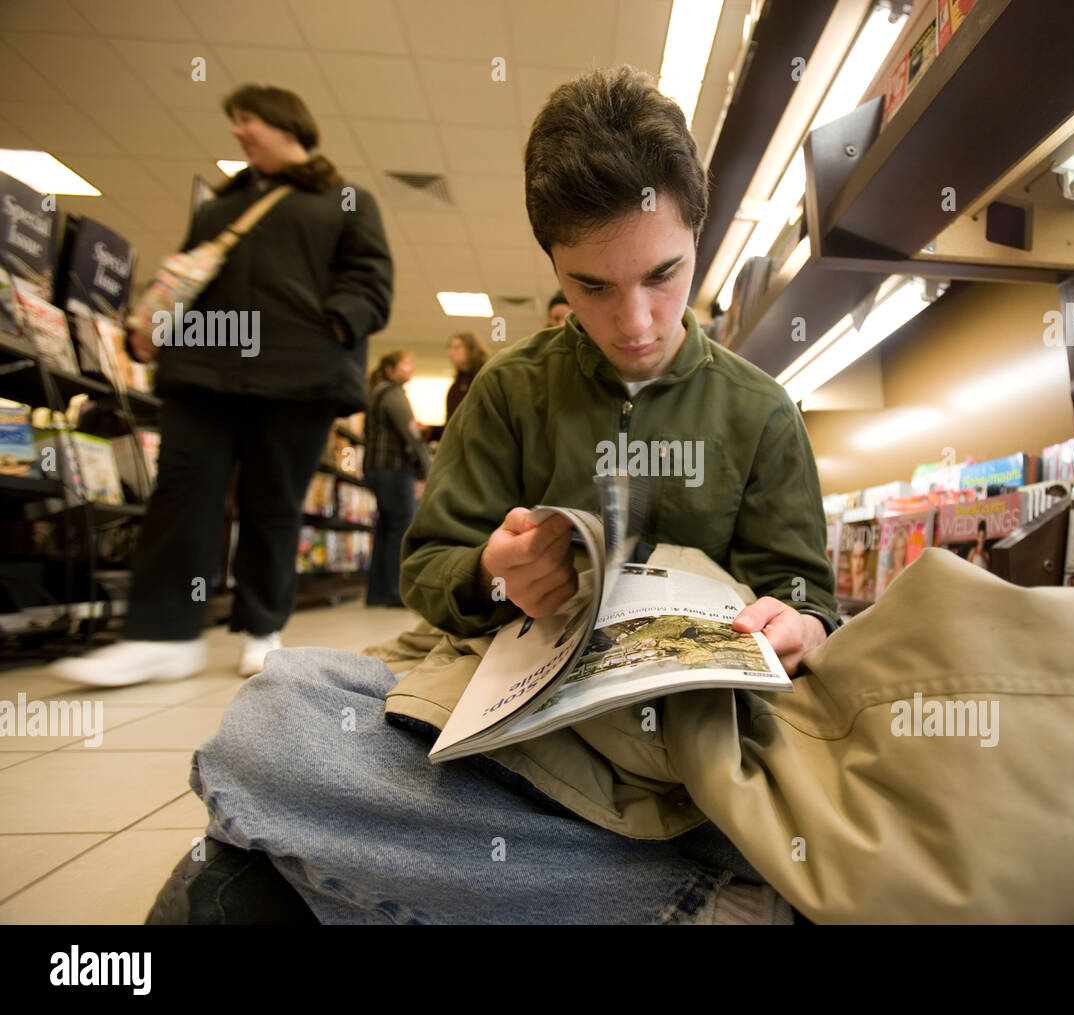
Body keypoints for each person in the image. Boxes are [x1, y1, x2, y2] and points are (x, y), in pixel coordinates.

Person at [148, 65, 834, 925]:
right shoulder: (510, 390)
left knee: (215, 892)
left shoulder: (763, 412)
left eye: (665, 274)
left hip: (679, 756)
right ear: (551, 263)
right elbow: (430, 566)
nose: (638, 322)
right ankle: (669, 896)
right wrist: (493, 574)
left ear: (698, 230)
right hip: (510, 731)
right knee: (272, 715)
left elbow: (808, 597)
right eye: (593, 287)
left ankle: (486, 872)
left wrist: (796, 623)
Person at [51, 83, 392, 686]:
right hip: (202, 370)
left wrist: (334, 324)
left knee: (273, 503)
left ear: (288, 123)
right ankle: (162, 635)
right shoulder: (217, 207)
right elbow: (186, 275)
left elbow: (370, 279)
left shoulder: (345, 200)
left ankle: (263, 628)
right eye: (234, 121)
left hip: (298, 374)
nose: (239, 131)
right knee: (181, 495)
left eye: (248, 119)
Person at [363, 350, 431, 608]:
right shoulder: (392, 393)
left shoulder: (375, 393)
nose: (410, 368)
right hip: (394, 469)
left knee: (385, 529)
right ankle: (394, 591)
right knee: (399, 530)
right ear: (390, 369)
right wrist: (426, 469)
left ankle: (377, 593)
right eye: (405, 364)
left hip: (376, 469)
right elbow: (410, 433)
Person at [426, 332, 487, 441]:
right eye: (450, 348)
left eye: (457, 347)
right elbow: (453, 425)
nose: (451, 353)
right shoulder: (457, 385)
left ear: (471, 349)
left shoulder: (484, 379)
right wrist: (430, 431)